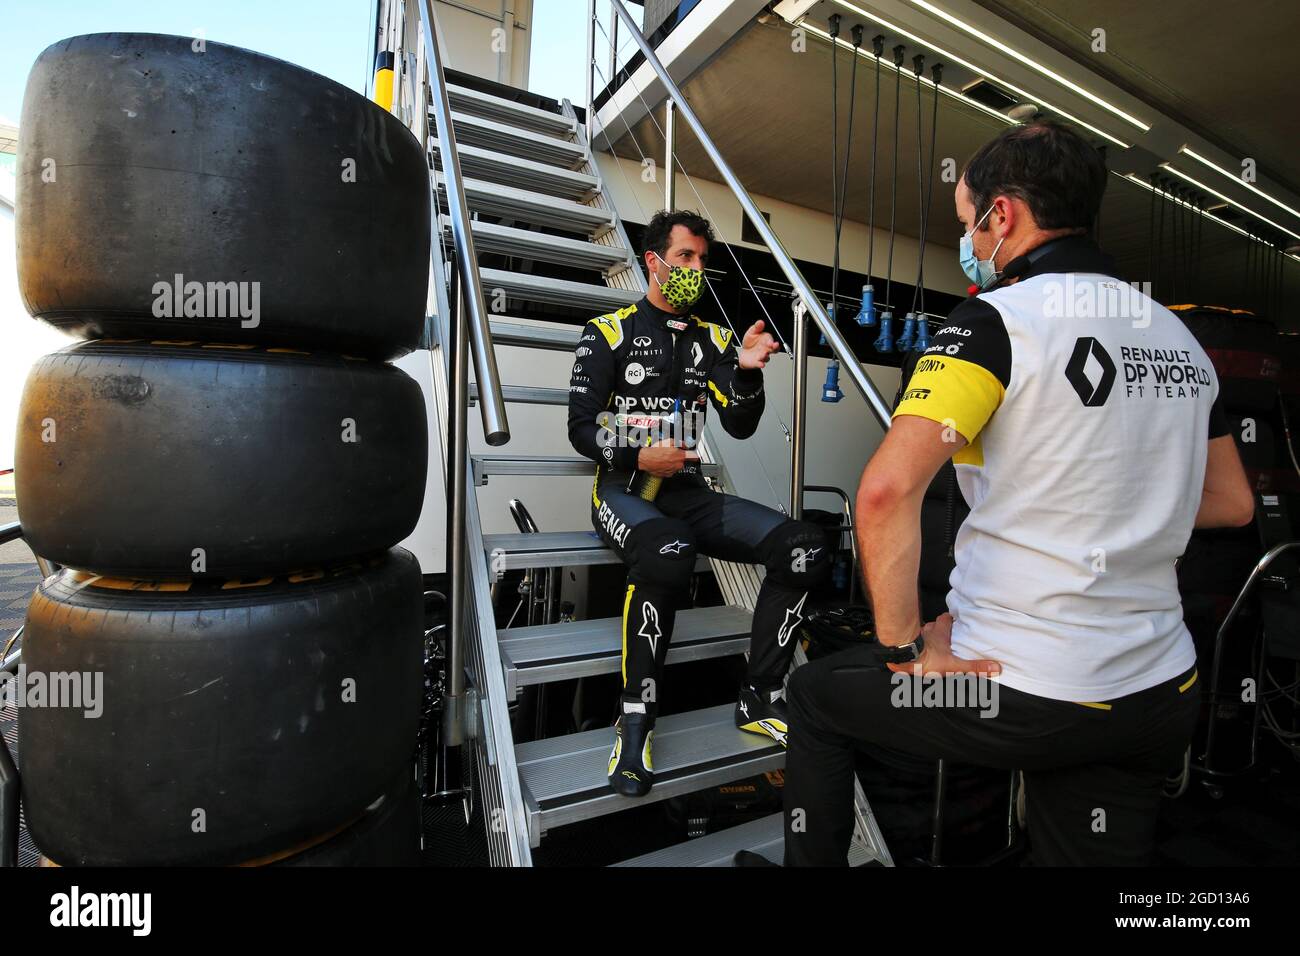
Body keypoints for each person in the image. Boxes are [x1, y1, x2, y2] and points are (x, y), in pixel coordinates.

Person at [779, 121, 1255, 865]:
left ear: (1002, 216)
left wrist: (906, 650)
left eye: (968, 222)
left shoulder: (995, 322)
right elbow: (1232, 503)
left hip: (1017, 692)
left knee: (814, 697)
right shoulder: (1177, 336)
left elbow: (884, 494)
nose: (967, 239)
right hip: (1160, 691)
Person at [567, 209, 830, 797]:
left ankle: (760, 695)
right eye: (685, 257)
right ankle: (635, 720)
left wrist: (747, 371)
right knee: (669, 551)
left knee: (807, 546)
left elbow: (738, 422)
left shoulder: (712, 338)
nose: (696, 269)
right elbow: (581, 429)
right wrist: (638, 458)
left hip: (688, 495)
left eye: (702, 260)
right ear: (653, 261)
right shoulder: (607, 331)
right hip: (623, 492)